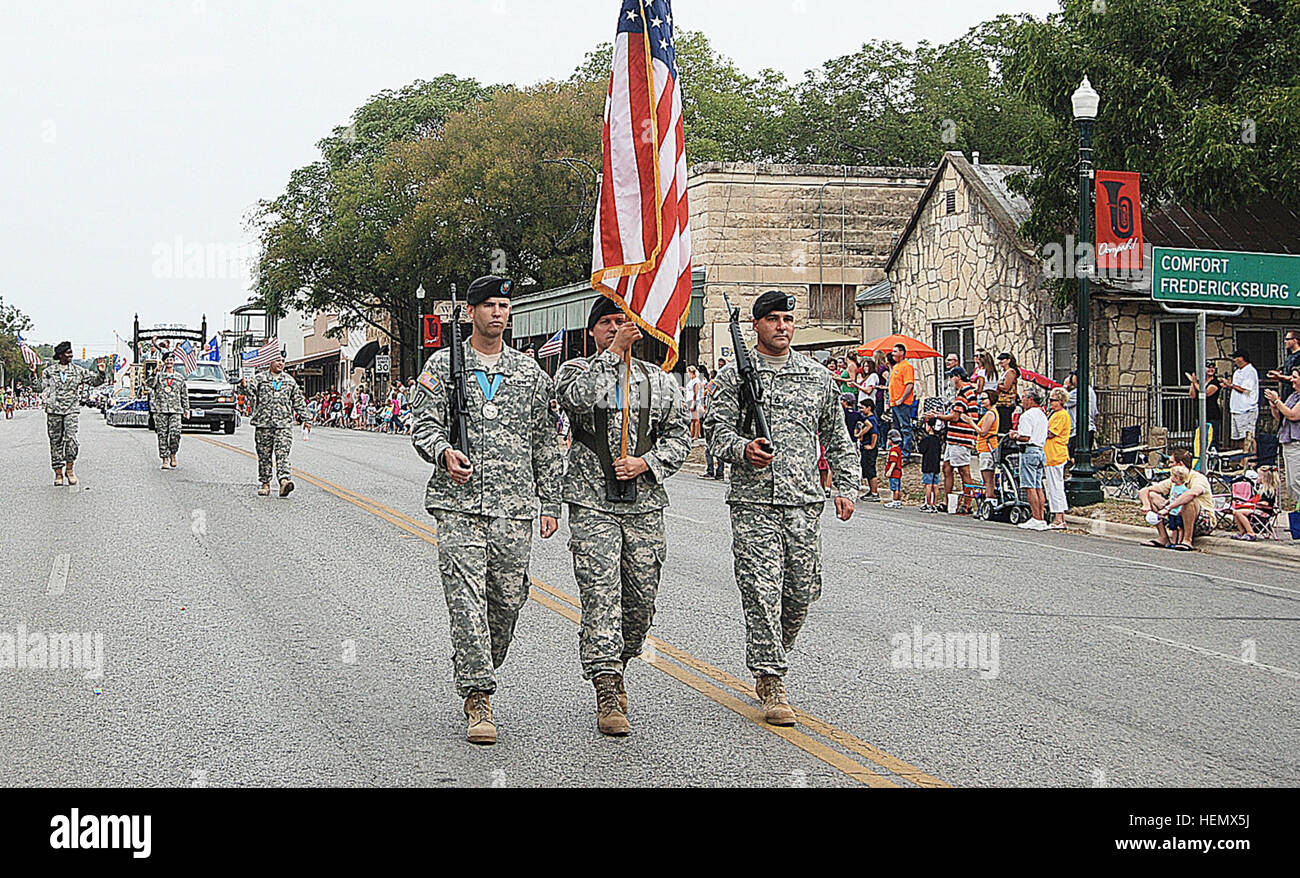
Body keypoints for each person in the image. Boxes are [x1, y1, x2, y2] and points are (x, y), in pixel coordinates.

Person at [410, 275, 563, 745]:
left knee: (506, 600)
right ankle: (479, 695)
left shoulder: (531, 374)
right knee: (466, 600)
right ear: (471, 312)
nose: (498, 313)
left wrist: (551, 500)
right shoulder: (442, 366)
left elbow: (546, 441)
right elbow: (422, 424)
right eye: (489, 305)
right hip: (458, 505)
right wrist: (442, 452)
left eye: (504, 305)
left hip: (514, 508)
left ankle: (476, 662)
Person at [704, 290, 856, 726]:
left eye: (788, 319)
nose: (782, 326)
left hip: (803, 501)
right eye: (772, 319)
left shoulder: (817, 377)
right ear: (756, 325)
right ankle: (771, 679)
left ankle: (770, 652)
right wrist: (743, 449)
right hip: (753, 503)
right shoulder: (734, 377)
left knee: (801, 593)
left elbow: (837, 435)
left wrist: (846, 485)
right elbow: (716, 436)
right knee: (761, 591)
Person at [555, 298, 690, 736]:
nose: (615, 328)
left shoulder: (658, 381)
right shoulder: (576, 371)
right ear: (593, 331)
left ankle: (623, 658)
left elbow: (679, 438)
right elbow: (576, 400)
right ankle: (606, 684)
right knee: (600, 594)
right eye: (606, 324)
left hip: (644, 505)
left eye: (622, 322)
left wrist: (647, 462)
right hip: (592, 501)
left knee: (639, 604)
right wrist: (612, 357)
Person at [243, 351, 311, 497]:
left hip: (284, 425)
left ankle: (284, 481)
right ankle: (265, 483)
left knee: (283, 454)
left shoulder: (289, 381)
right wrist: (246, 385)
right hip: (264, 424)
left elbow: (298, 401)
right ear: (270, 362)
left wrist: (306, 419)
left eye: (282, 361)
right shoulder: (260, 379)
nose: (280, 363)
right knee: (264, 455)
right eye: (277, 360)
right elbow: (250, 393)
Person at [41, 341, 106, 486]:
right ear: (60, 355)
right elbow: (39, 387)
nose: (71, 355)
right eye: (68, 352)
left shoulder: (78, 370)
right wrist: (33, 373)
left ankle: (70, 469)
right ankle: (58, 473)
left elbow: (94, 381)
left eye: (71, 352)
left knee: (71, 440)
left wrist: (101, 373)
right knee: (55, 441)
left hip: (71, 410)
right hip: (54, 410)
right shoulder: (49, 372)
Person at [1137, 448, 1214, 550]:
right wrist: (1146, 505)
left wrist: (1169, 507)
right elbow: (1144, 491)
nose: (1169, 465)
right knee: (1151, 495)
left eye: (1172, 462)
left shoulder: (1198, 478)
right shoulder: (1175, 479)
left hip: (1202, 521)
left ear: (1180, 464)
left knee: (1189, 499)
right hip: (1177, 516)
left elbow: (1193, 493)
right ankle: (1163, 537)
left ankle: (1187, 540)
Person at [936, 366, 977, 513]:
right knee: (947, 468)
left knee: (963, 470)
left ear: (958, 377)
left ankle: (967, 502)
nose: (950, 380)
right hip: (953, 437)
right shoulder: (962, 392)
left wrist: (937, 416)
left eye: (952, 377)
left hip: (961, 437)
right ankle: (948, 500)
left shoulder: (965, 392)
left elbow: (955, 416)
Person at [1010, 386, 1048, 530]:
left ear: (1031, 399)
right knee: (1038, 485)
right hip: (1040, 450)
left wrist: (1015, 435)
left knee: (1029, 486)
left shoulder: (1027, 415)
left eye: (1024, 397)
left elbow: (1025, 436)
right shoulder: (1042, 414)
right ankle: (1041, 517)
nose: (1022, 400)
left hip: (1029, 450)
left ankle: (1036, 517)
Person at [147, 350, 190, 469]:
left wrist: (186, 409)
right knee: (162, 435)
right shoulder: (159, 376)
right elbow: (149, 384)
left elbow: (184, 395)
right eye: (167, 360)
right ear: (164, 361)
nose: (169, 362)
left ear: (174, 362)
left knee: (175, 433)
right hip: (161, 409)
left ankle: (173, 453)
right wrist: (153, 374)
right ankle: (165, 459)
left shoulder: (179, 378)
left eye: (171, 360)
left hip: (176, 409)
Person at [1264, 368, 1300, 506]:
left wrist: (1277, 401)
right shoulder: (1293, 396)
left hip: (1297, 443)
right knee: (1291, 483)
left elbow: (1293, 415)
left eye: (1295, 377)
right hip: (1287, 442)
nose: (1291, 379)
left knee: (1297, 480)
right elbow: (1280, 417)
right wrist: (1274, 405)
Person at [1044, 387, 1072, 529]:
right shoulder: (1055, 414)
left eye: (1053, 400)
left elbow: (1051, 433)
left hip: (1056, 454)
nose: (1050, 403)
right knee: (1055, 486)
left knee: (1055, 487)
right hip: (1051, 454)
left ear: (1060, 401)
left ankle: (1059, 518)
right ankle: (1059, 517)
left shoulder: (1061, 415)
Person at [1230, 466, 1279, 541]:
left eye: (1259, 476)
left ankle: (1251, 533)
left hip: (1264, 511)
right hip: (1257, 509)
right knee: (1235, 512)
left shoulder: (1269, 490)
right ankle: (1243, 532)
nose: (1257, 478)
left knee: (1239, 513)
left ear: (1265, 478)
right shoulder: (1261, 488)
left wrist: (1253, 504)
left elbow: (1265, 503)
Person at [1226, 349, 1259, 451]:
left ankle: (1252, 459)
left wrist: (1231, 385)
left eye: (1236, 358)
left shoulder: (1250, 371)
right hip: (1236, 409)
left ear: (1241, 358)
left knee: (1248, 436)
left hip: (1247, 409)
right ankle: (1243, 460)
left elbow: (1246, 390)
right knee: (1239, 437)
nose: (1234, 360)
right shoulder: (1237, 372)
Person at [888, 343, 916, 458]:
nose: (892, 354)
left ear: (901, 353)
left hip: (902, 403)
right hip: (894, 402)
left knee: (905, 427)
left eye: (895, 351)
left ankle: (906, 452)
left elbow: (909, 385)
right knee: (897, 428)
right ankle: (897, 451)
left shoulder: (906, 367)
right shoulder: (896, 366)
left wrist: (902, 398)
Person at [1187, 362, 1224, 450]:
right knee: (1200, 437)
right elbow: (1192, 395)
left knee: (1212, 439)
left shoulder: (1215, 382)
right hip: (1200, 413)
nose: (1211, 369)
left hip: (1212, 414)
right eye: (1208, 367)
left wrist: (1195, 382)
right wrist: (1193, 383)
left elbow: (1206, 393)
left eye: (1213, 367)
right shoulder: (1200, 382)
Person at [1065, 371, 1097, 459]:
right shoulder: (1090, 390)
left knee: (1075, 459)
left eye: (1072, 377)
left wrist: (1066, 386)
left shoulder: (1079, 392)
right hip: (1088, 429)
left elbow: (1061, 399)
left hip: (1078, 432)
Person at [975, 390, 1000, 501]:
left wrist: (971, 423)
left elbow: (983, 431)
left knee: (988, 477)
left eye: (984, 399)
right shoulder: (989, 413)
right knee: (986, 476)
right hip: (983, 447)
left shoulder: (991, 413)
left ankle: (990, 498)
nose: (981, 401)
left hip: (987, 447)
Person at [855, 399, 880, 501]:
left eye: (863, 407)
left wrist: (872, 445)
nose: (861, 410)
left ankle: (874, 493)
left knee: (871, 469)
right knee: (866, 468)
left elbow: (874, 434)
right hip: (864, 446)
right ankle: (871, 490)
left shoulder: (872, 419)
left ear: (869, 408)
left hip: (869, 448)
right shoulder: (866, 419)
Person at [918, 419, 942, 512]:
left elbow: (921, 449)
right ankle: (934, 504)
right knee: (935, 485)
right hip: (936, 465)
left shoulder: (926, 439)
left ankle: (928, 503)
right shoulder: (938, 440)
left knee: (928, 485)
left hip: (927, 464)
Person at [995, 353, 1020, 435]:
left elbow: (1006, 387)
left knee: (1005, 425)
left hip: (1007, 402)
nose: (1000, 361)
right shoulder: (1004, 372)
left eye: (1003, 359)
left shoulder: (1010, 372)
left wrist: (998, 386)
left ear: (1008, 360)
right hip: (1001, 402)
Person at [883, 429, 905, 508]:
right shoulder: (898, 449)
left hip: (894, 472)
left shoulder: (893, 451)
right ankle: (898, 501)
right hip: (898, 472)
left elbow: (893, 461)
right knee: (897, 487)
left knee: (894, 488)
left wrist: (889, 471)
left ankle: (895, 501)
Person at [685, 365, 703, 440]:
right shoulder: (691, 381)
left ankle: (696, 435)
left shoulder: (696, 381)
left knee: (696, 418)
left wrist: (693, 403)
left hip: (694, 400)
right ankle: (691, 434)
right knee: (692, 419)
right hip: (689, 400)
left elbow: (695, 392)